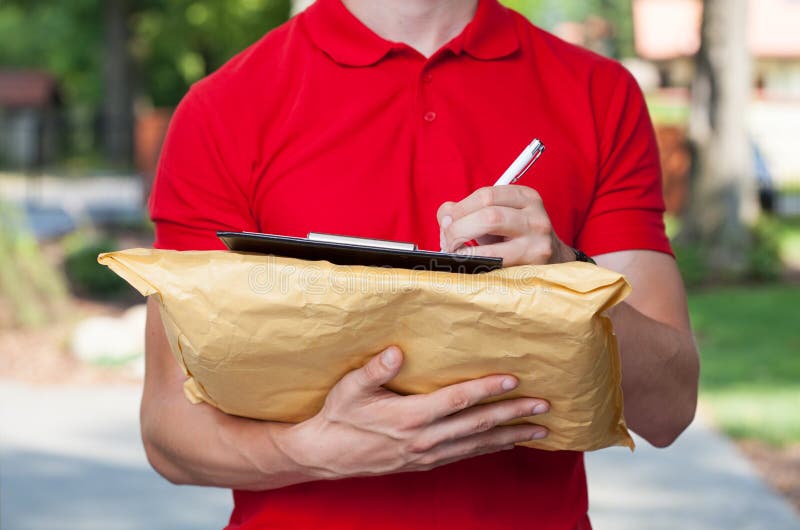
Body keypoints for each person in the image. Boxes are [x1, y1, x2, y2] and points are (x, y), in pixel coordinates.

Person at [143, 0, 700, 528]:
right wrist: (313, 452)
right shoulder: (224, 108)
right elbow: (170, 431)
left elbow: (670, 407)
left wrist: (567, 273)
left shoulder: (599, 93)